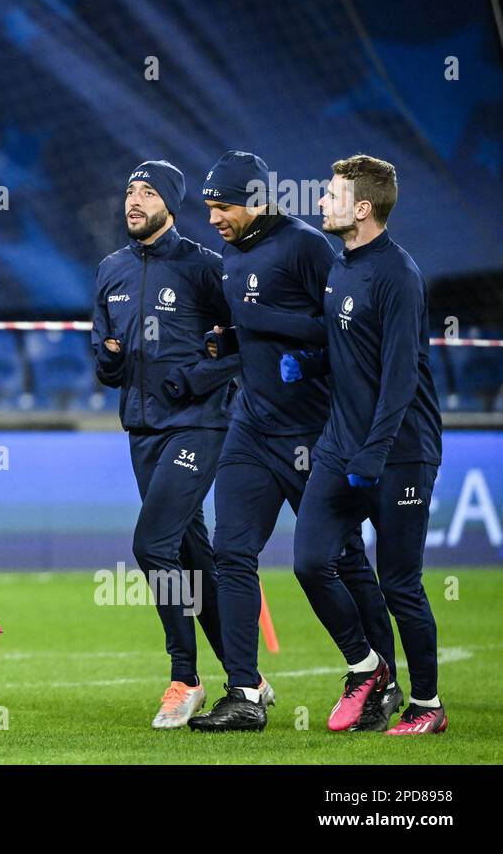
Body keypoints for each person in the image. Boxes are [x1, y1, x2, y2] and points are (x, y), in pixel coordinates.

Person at [188, 151, 399, 734]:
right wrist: (228, 341)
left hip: (314, 434)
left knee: (342, 559)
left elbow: (343, 332)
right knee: (230, 553)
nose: (214, 219)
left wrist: (266, 323)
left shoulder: (306, 246)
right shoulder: (231, 254)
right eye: (208, 208)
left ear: (256, 200)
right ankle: (244, 693)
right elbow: (249, 328)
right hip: (250, 429)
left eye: (223, 207)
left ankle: (384, 677)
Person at [287, 154, 445, 735]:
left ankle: (428, 706)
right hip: (340, 445)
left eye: (331, 195)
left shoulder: (399, 275)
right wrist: (308, 363)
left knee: (399, 583)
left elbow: (400, 374)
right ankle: (367, 666)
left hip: (399, 450)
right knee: (309, 561)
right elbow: (350, 351)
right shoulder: (340, 267)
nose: (321, 203)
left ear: (363, 208)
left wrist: (375, 454)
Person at [92, 160, 241, 729]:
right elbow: (104, 362)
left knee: (152, 545)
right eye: (129, 190)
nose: (133, 200)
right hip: (142, 428)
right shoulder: (110, 269)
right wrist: (108, 359)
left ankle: (185, 678)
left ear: (171, 204)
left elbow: (242, 347)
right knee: (189, 552)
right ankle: (244, 675)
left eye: (147, 192)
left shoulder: (207, 268)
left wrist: (195, 378)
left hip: (199, 423)